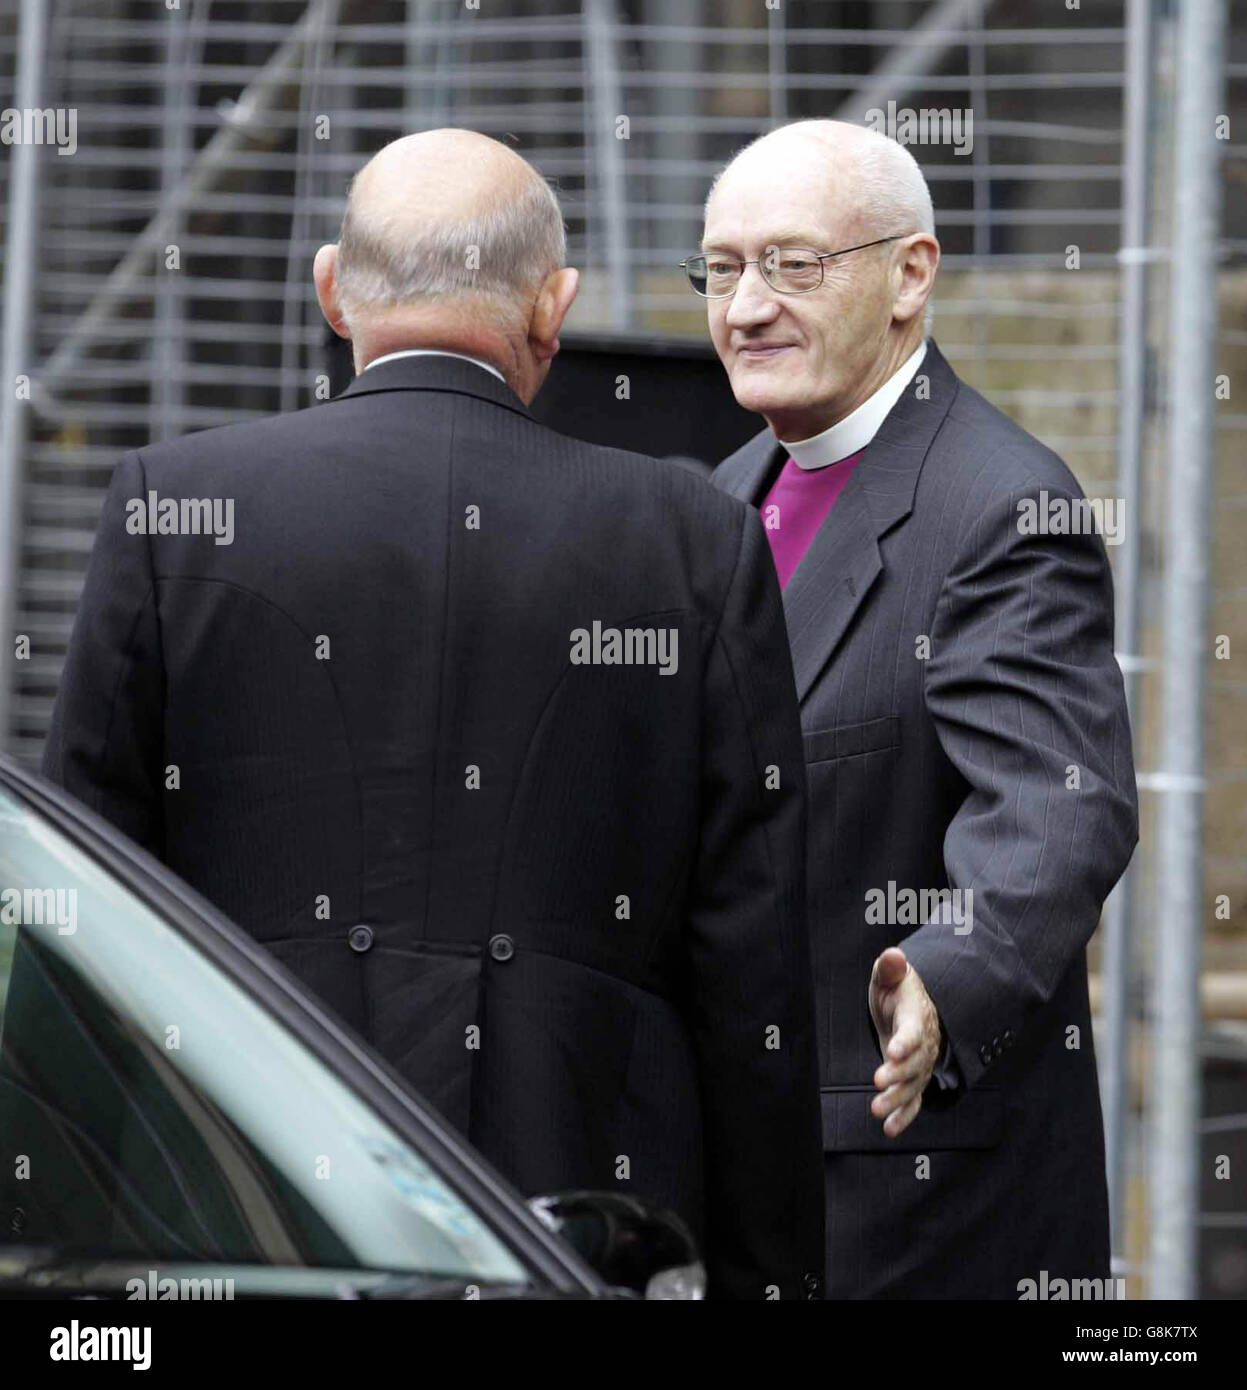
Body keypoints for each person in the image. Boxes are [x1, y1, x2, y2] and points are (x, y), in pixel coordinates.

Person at [42, 130, 825, 1300]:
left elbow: (78, 925)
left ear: (330, 291)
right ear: (551, 307)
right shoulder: (691, 537)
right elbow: (750, 965)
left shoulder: (174, 507)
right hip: (576, 1222)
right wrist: (771, 1278)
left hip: (239, 1213)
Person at [695, 119, 1138, 1298]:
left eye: (791, 265)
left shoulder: (1001, 505)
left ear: (909, 273)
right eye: (723, 267)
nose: (744, 307)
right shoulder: (720, 499)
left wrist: (947, 971)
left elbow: (1058, 805)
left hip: (911, 1204)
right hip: (742, 1185)